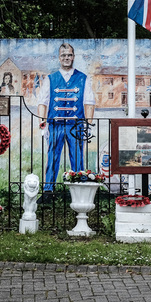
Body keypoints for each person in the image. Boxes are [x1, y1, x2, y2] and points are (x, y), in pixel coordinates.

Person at [37, 43, 95, 193]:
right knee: (52, 157)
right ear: (59, 57)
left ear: (73, 57)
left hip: (76, 125)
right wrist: (42, 124)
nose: (66, 58)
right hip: (55, 124)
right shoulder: (50, 79)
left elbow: (89, 102)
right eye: (63, 55)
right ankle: (48, 189)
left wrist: (88, 124)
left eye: (69, 55)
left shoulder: (83, 78)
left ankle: (79, 189)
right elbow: (42, 102)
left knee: (77, 157)